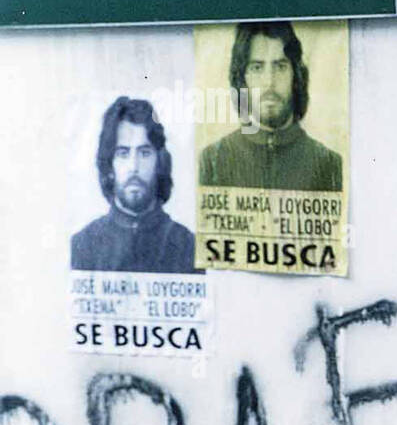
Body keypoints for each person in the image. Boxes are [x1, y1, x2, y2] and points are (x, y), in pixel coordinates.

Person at [199, 22, 343, 192]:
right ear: (242, 79)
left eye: (280, 67)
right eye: (257, 67)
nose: (269, 82)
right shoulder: (212, 161)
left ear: (296, 77)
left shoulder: (328, 164)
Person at [71, 97, 200, 274]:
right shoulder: (83, 246)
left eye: (144, 153)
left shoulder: (188, 247)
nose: (134, 167)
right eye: (123, 153)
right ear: (109, 165)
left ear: (159, 162)